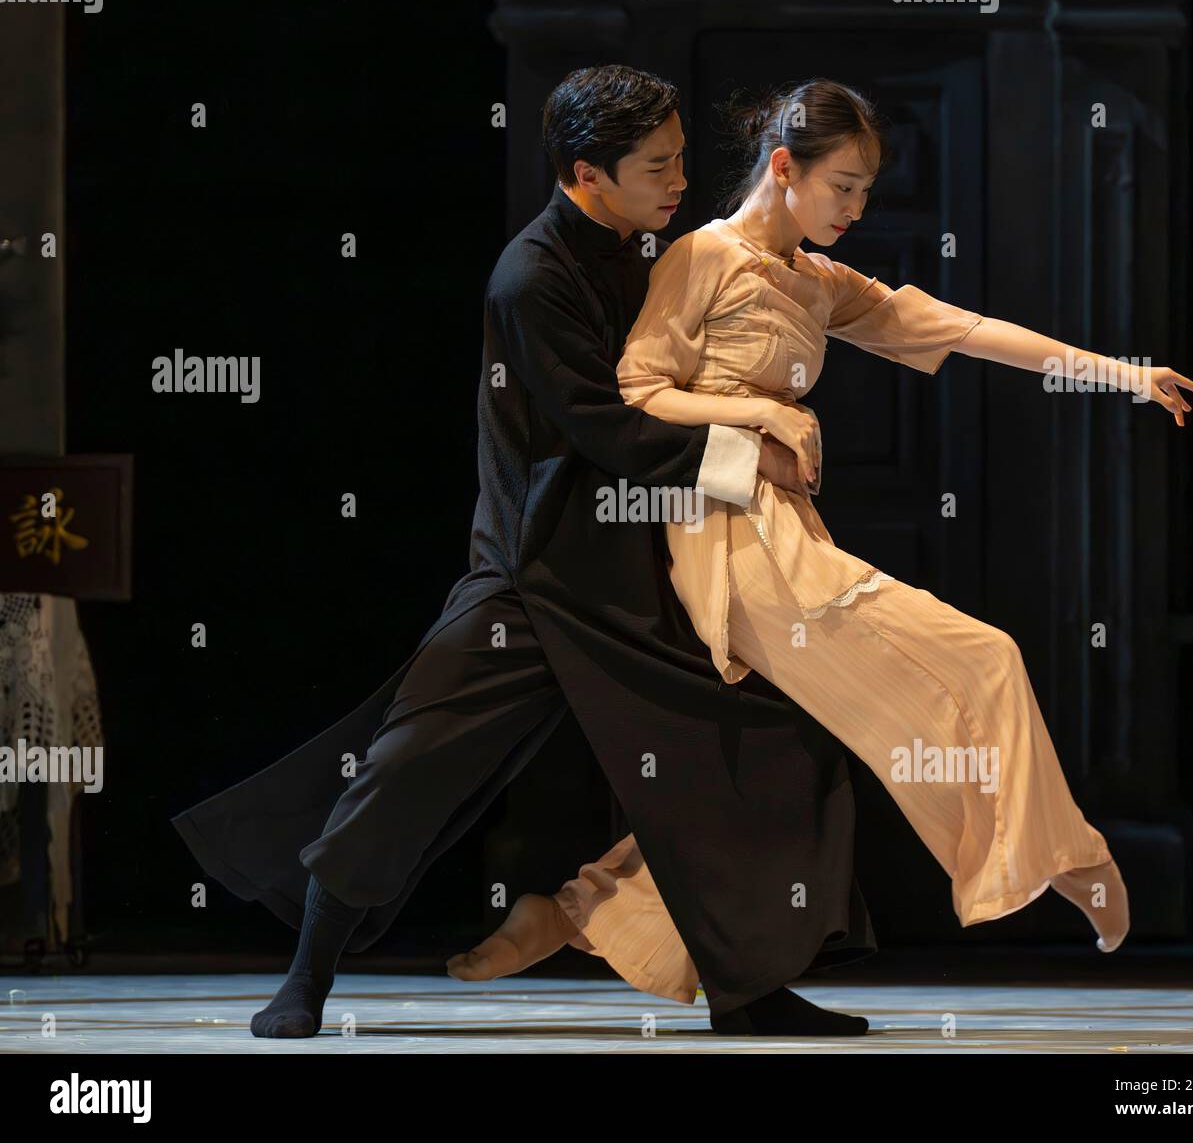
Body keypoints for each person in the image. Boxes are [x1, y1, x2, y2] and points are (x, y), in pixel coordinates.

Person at [171, 66, 882, 1040]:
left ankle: (748, 987)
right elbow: (603, 424)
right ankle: (305, 976)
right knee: (406, 766)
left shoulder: (644, 254)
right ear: (588, 173)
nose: (679, 180)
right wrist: (746, 444)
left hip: (637, 573)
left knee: (753, 746)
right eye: (657, 165)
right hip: (534, 572)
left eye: (680, 158)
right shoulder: (532, 275)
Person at [451, 77, 1193, 986]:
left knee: (767, 775)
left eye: (865, 189)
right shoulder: (703, 257)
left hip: (783, 532)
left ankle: (572, 916)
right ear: (785, 167)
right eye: (843, 185)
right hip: (730, 541)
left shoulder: (816, 281)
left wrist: (1123, 376)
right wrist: (762, 417)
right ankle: (1066, 856)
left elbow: (962, 330)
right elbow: (638, 391)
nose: (856, 207)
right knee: (983, 657)